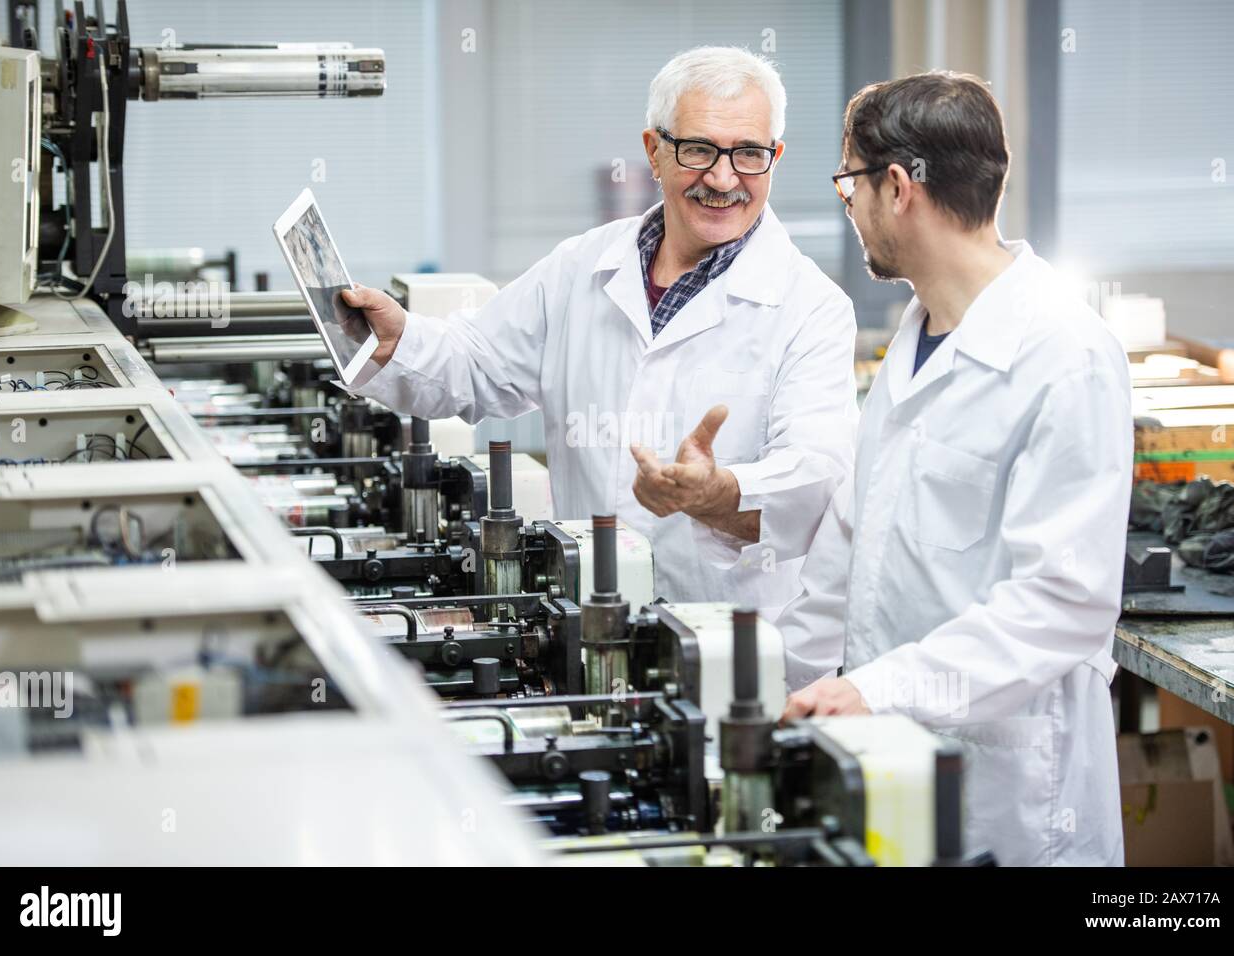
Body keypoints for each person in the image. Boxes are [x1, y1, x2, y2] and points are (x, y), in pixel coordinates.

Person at [343, 47, 858, 648]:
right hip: (580, 629)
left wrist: (714, 494)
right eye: (698, 150)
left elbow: (818, 485)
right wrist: (390, 338)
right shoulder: (582, 267)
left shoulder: (811, 307)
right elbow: (475, 363)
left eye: (749, 153)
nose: (724, 179)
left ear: (776, 158)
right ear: (653, 150)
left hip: (727, 650)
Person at [780, 72, 1132, 865]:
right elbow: (850, 543)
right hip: (890, 756)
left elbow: (1063, 604)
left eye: (849, 185)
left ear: (896, 187)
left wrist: (877, 687)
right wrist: (775, 688)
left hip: (1011, 787)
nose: (850, 208)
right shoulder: (916, 332)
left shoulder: (1064, 356)